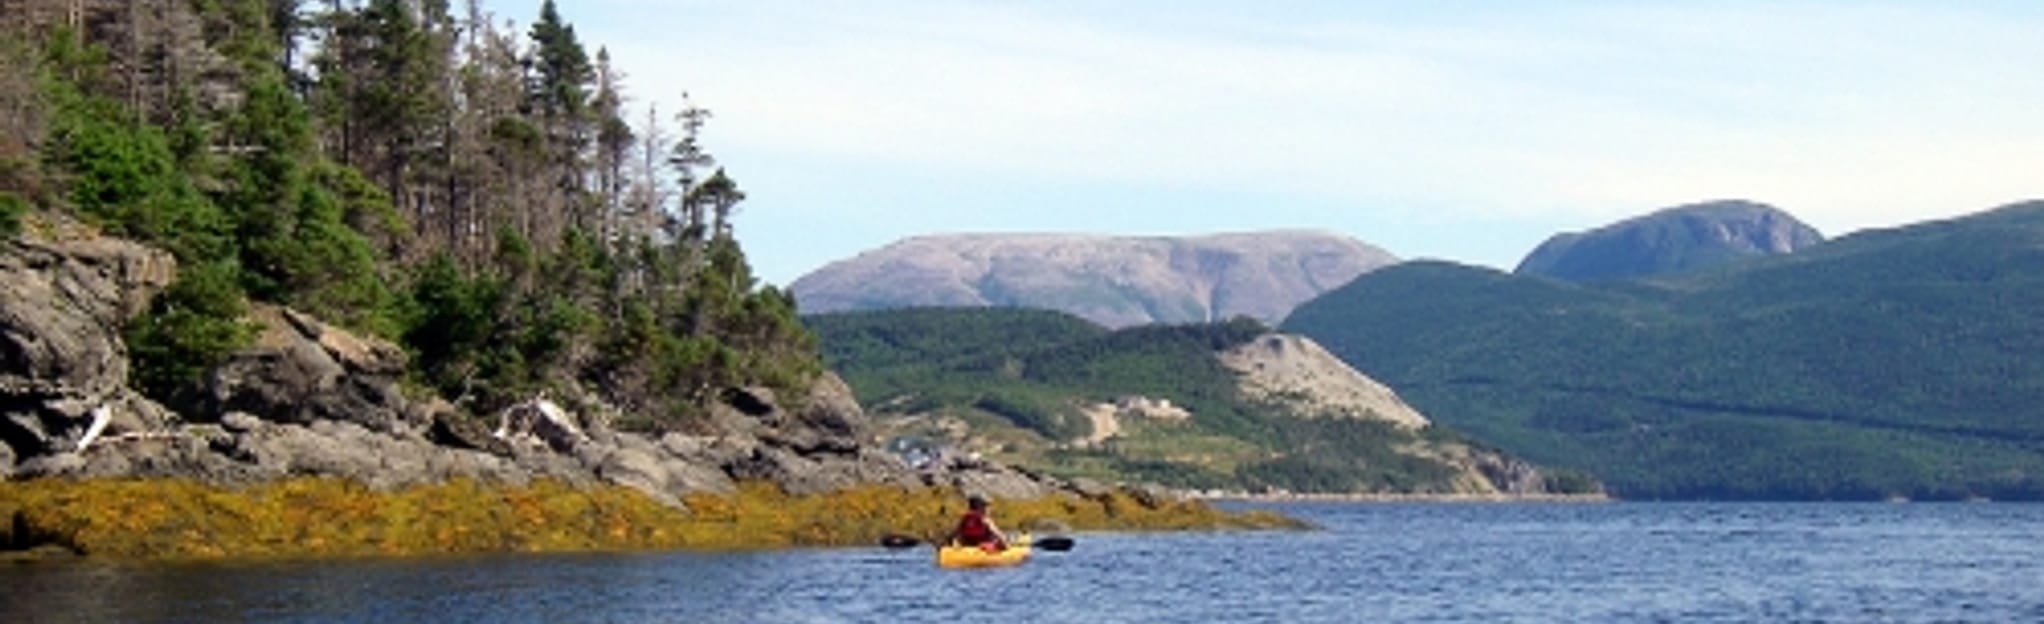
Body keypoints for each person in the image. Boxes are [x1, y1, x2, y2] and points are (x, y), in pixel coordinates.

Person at [943, 494, 1008, 551]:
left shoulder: (964, 519)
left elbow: (951, 535)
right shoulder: (985, 520)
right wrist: (1004, 545)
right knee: (999, 543)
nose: (988, 509)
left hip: (966, 548)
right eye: (986, 506)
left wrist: (950, 546)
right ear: (980, 507)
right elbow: (1000, 535)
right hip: (984, 548)